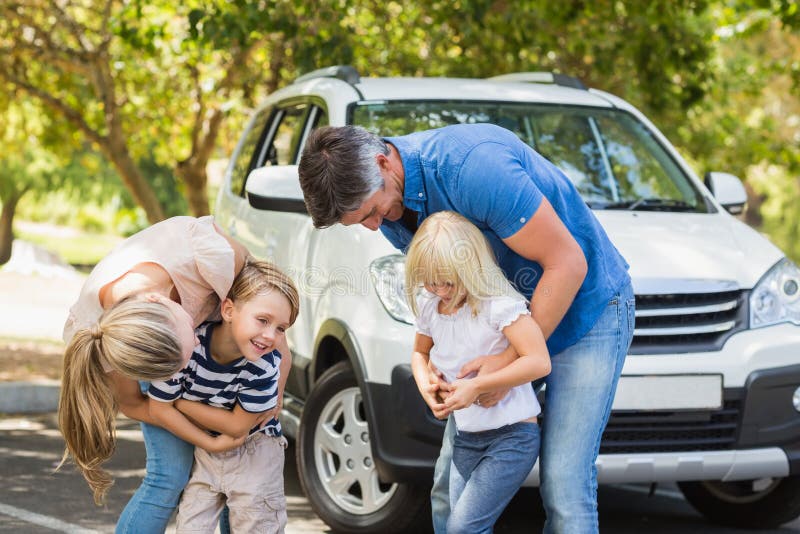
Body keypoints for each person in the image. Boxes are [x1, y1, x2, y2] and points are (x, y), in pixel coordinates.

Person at [298, 124, 635, 533]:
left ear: (382, 162)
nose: (373, 226)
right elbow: (451, 300)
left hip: (585, 308)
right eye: (360, 221)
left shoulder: (472, 168)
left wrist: (505, 366)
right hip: (504, 330)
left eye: (370, 211)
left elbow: (568, 264)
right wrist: (429, 369)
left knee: (564, 483)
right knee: (446, 486)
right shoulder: (389, 203)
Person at [58, 215, 292, 533]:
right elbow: (135, 404)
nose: (197, 340)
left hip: (229, 362)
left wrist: (275, 389)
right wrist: (206, 439)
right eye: (178, 363)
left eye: (190, 338)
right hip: (174, 385)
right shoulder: (109, 338)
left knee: (239, 483)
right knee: (171, 475)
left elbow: (267, 301)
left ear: (163, 302)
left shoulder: (207, 257)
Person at [405, 211, 551, 533]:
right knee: (457, 525)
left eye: (447, 280)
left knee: (463, 528)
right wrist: (426, 384)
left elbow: (539, 361)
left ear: (470, 267)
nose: (439, 289)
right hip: (467, 437)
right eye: (429, 280)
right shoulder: (431, 305)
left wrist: (481, 384)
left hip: (512, 437)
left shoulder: (497, 304)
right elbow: (419, 352)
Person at [148, 259, 298, 533]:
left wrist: (179, 402)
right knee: (191, 526)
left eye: (281, 328)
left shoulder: (264, 364)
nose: (270, 335)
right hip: (207, 451)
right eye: (263, 320)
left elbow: (238, 426)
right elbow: (157, 409)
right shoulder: (187, 346)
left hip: (256, 450)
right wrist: (208, 442)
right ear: (228, 310)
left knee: (256, 525)